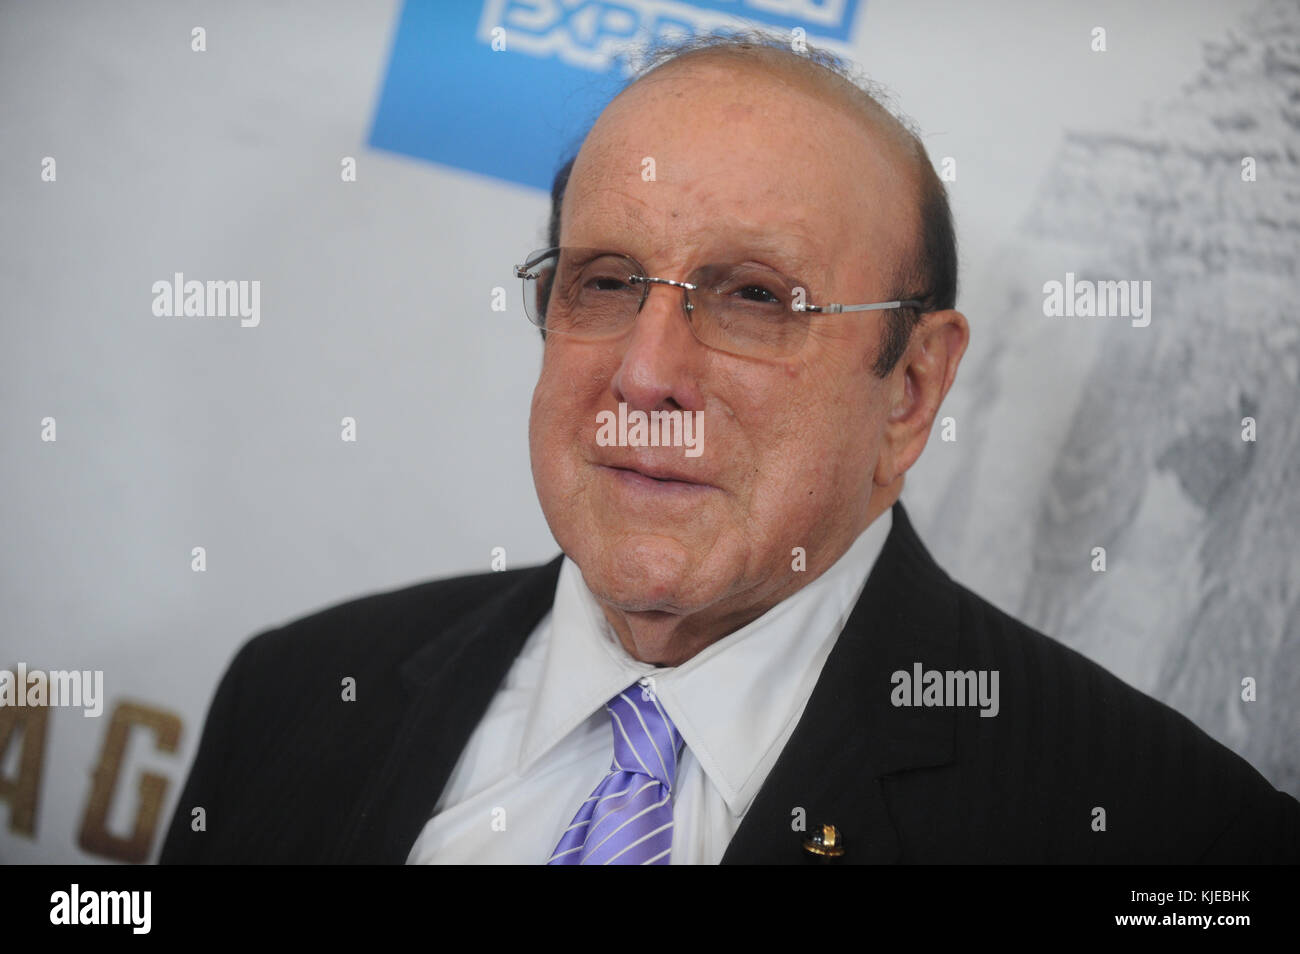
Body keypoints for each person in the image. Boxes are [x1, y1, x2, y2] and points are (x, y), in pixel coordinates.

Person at [160, 31, 1299, 865]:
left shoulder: (1174, 838)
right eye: (604, 282)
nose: (646, 371)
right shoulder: (299, 692)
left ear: (909, 388)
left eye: (754, 296)